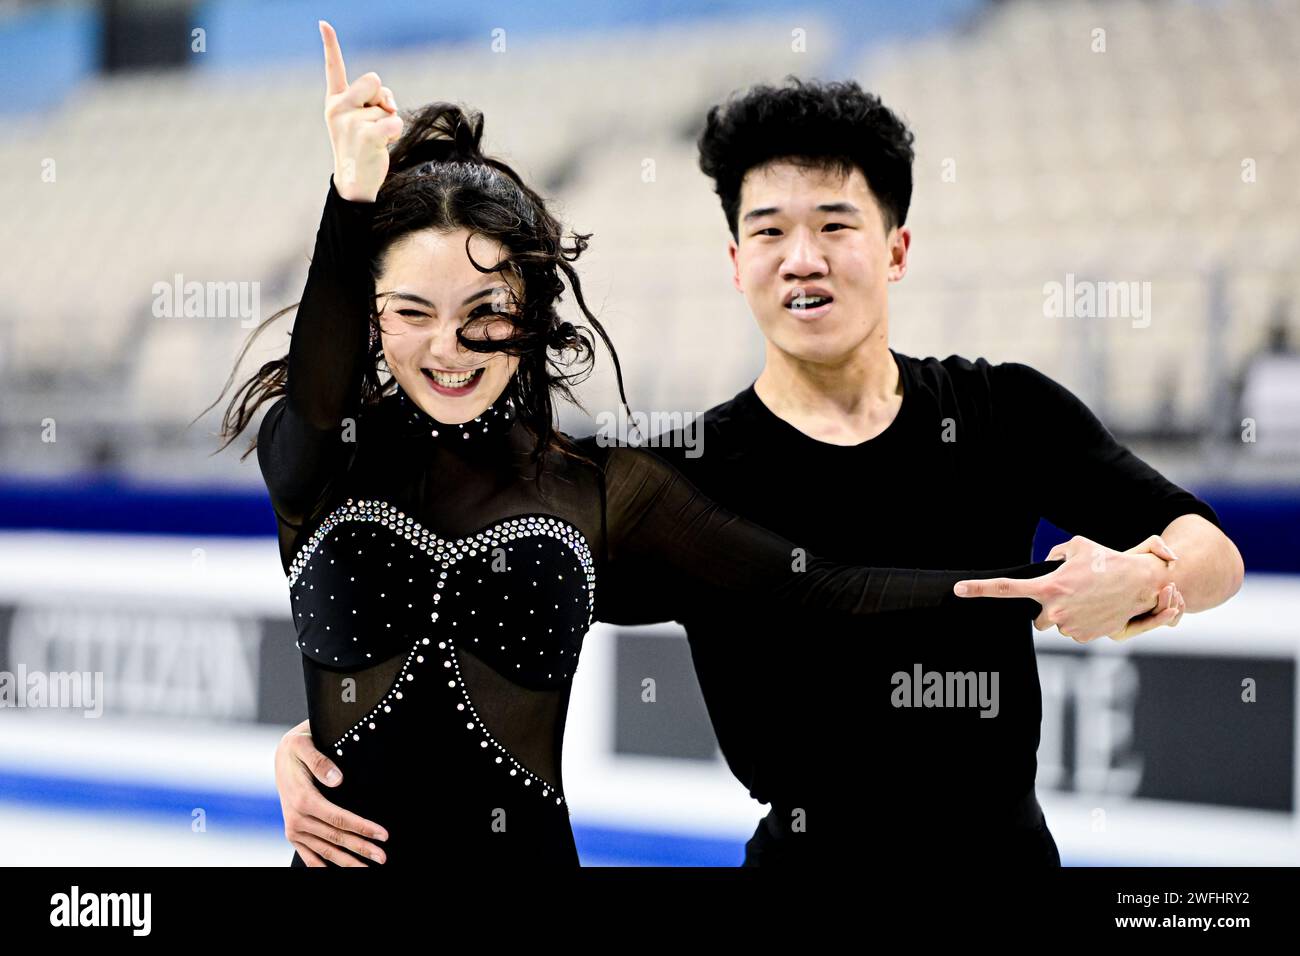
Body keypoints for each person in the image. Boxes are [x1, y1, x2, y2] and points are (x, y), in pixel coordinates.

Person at [212, 24, 1063, 867]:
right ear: (369, 317)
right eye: (412, 313)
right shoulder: (321, 462)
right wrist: (350, 195)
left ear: (534, 314)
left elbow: (819, 591)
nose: (447, 349)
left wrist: (1043, 587)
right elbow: (318, 399)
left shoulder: (599, 489)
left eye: (486, 314)